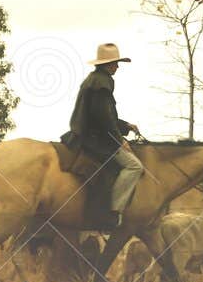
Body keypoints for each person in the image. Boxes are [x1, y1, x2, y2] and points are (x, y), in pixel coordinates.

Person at [61, 43, 144, 228]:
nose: (117, 66)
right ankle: (113, 212)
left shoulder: (95, 79)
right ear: (106, 64)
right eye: (115, 63)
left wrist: (125, 126)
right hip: (96, 139)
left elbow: (105, 114)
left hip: (91, 134)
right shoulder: (103, 82)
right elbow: (103, 117)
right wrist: (119, 139)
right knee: (134, 166)